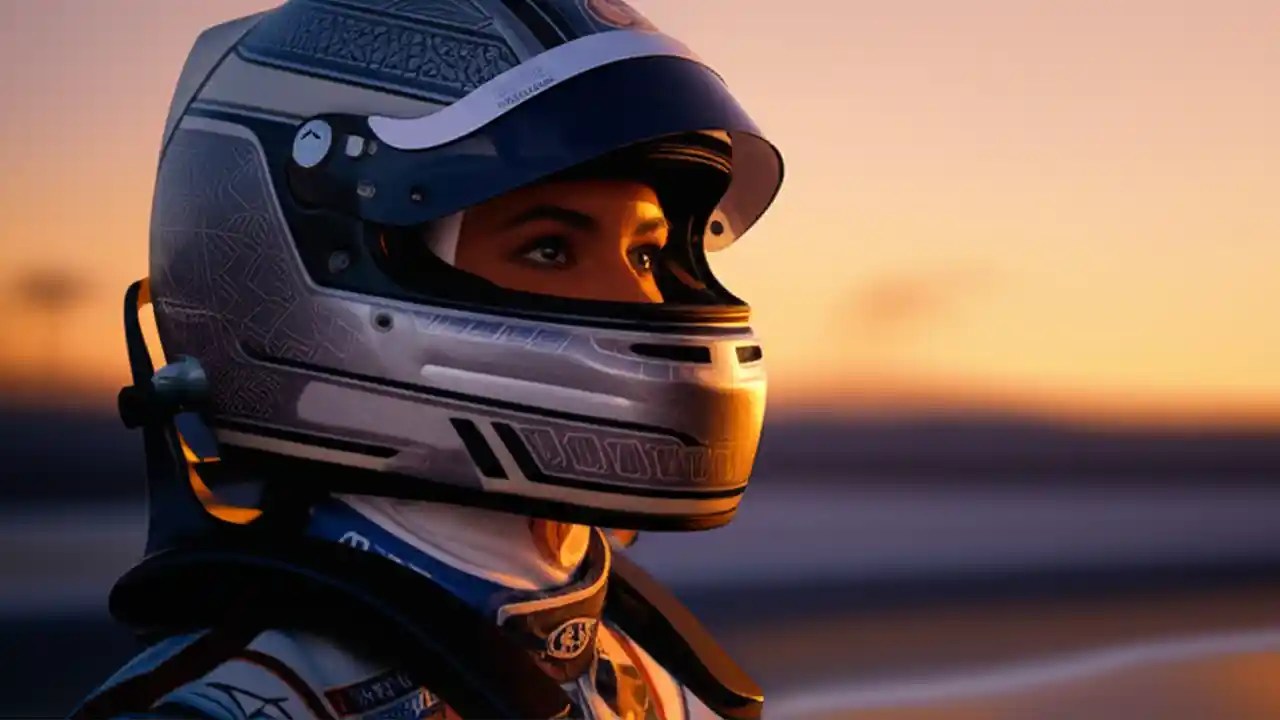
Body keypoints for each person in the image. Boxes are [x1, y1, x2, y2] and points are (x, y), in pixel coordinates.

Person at [73, 1, 783, 718]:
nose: (641, 298)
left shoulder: (647, 677)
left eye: (645, 253)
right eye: (550, 249)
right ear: (325, 271)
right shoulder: (231, 706)